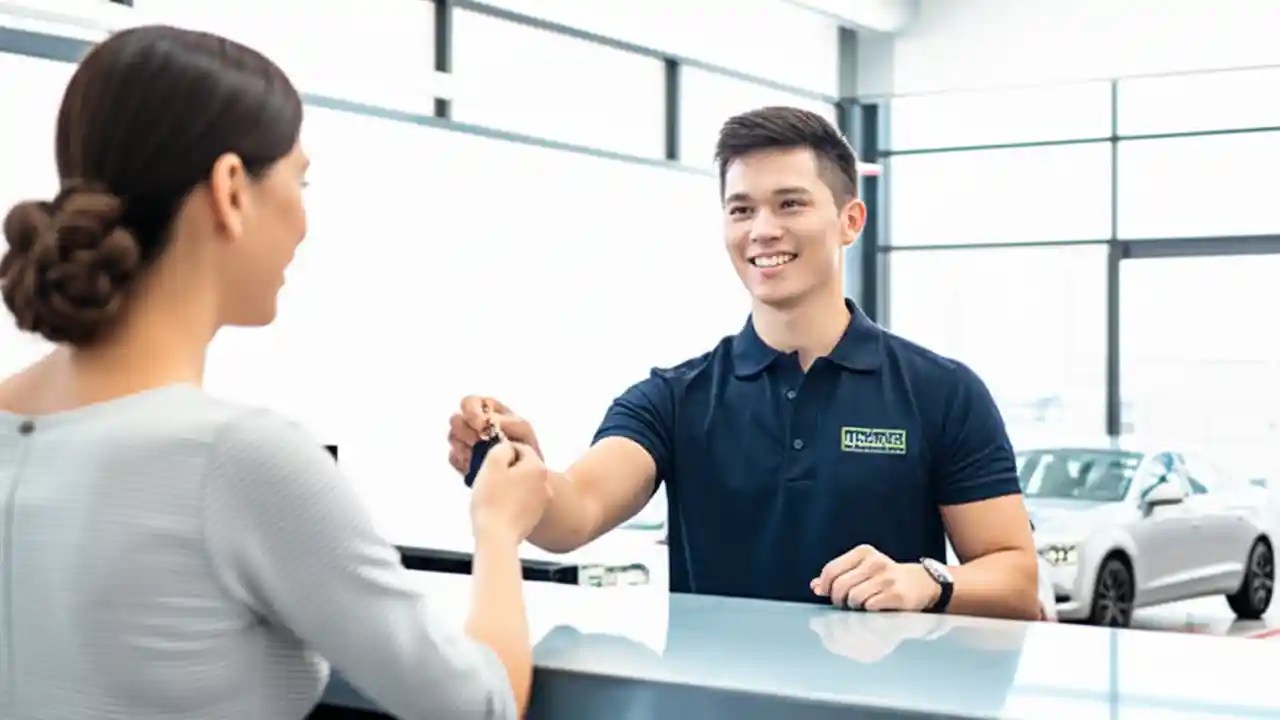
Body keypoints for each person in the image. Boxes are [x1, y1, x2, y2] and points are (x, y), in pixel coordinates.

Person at [0, 25, 547, 720]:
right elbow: (481, 706)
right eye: (300, 180)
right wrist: (498, 529)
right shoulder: (239, 460)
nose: (304, 221)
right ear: (231, 188)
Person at [449, 106, 1040, 620]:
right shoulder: (673, 398)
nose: (763, 230)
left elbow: (1016, 578)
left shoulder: (942, 392)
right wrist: (512, 466)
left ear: (850, 221)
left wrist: (925, 581)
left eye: (790, 204)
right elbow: (570, 515)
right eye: (741, 210)